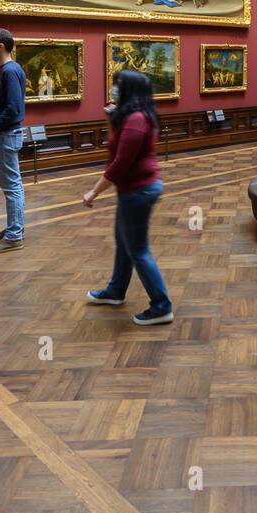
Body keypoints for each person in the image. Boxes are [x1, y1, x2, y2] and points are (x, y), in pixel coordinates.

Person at [82, 70, 174, 324]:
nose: (113, 89)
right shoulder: (134, 116)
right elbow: (118, 149)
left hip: (139, 190)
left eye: (118, 85)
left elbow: (120, 163)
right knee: (123, 242)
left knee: (138, 249)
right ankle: (116, 290)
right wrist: (112, 120)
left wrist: (94, 191)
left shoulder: (135, 120)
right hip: (133, 189)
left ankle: (162, 305)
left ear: (129, 90)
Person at [0, 28, 27, 253]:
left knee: (11, 187)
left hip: (5, 135)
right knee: (13, 185)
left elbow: (13, 107)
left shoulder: (9, 70)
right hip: (8, 134)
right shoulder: (11, 68)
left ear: (0, 46)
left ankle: (14, 236)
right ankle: (13, 228)